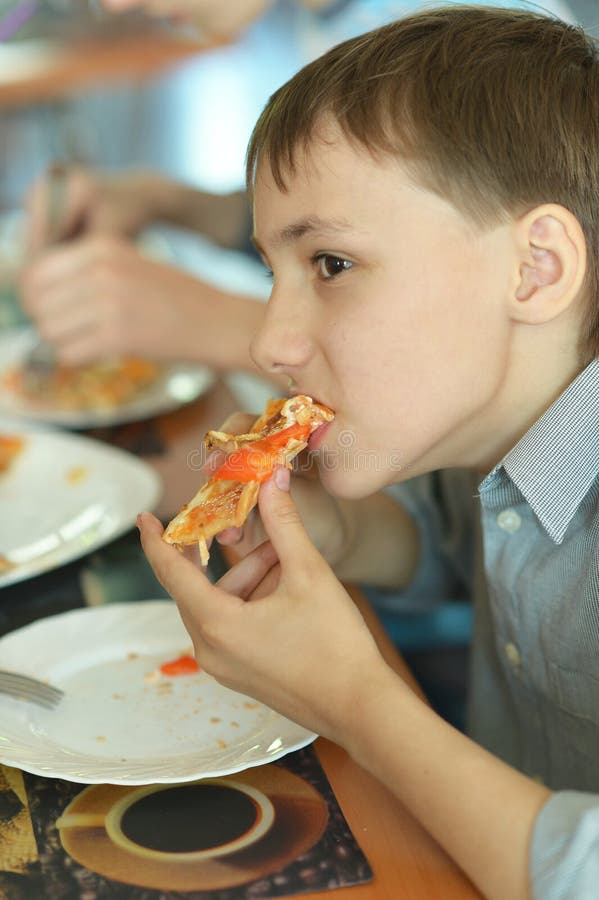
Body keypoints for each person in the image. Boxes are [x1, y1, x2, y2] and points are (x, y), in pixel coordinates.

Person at [138, 6, 599, 898]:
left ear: (534, 270)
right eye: (276, 273)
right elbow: (463, 550)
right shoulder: (497, 427)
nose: (272, 342)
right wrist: (336, 534)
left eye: (332, 266)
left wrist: (354, 702)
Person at [19, 0, 575, 372]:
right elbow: (346, 218)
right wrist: (169, 203)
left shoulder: (466, 37)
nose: (115, 6)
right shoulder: (325, 17)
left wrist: (213, 321)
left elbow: (493, 360)